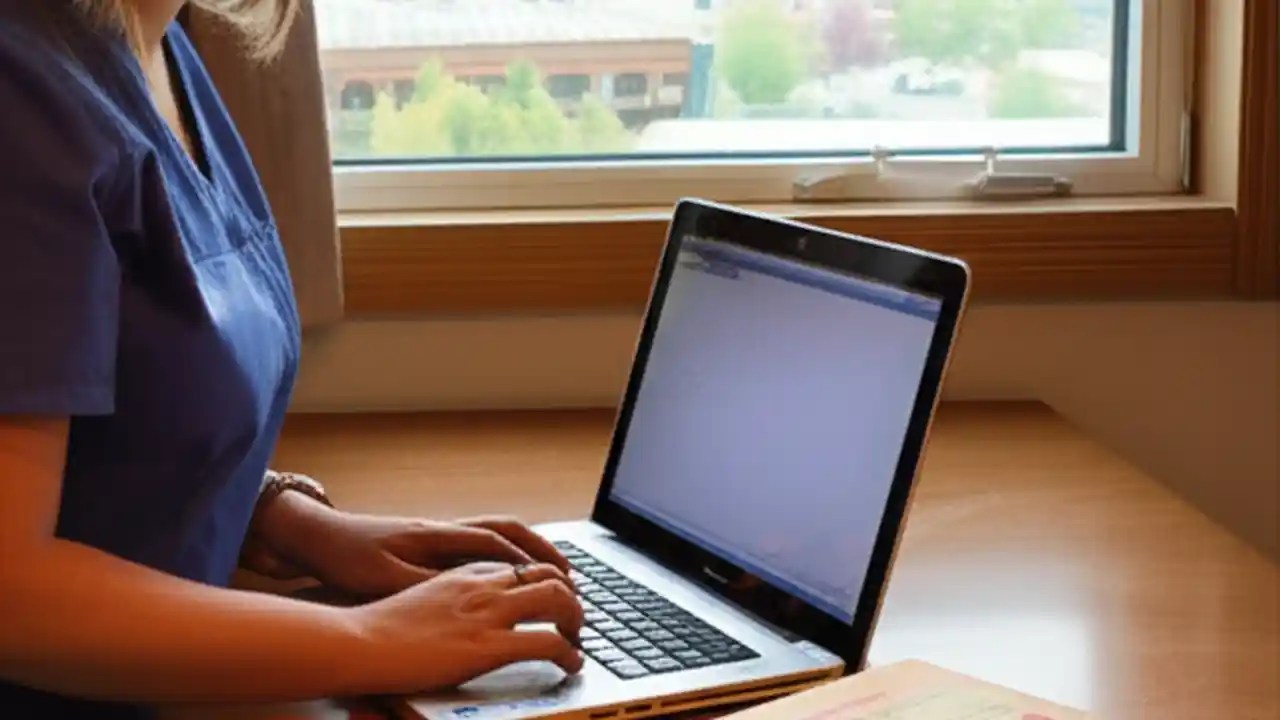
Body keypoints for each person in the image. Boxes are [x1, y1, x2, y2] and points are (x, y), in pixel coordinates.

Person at [0, 1, 585, 717]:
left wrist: (279, 518)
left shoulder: (158, 41)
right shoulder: (21, 89)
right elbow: (11, 592)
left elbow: (123, 415)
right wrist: (371, 637)